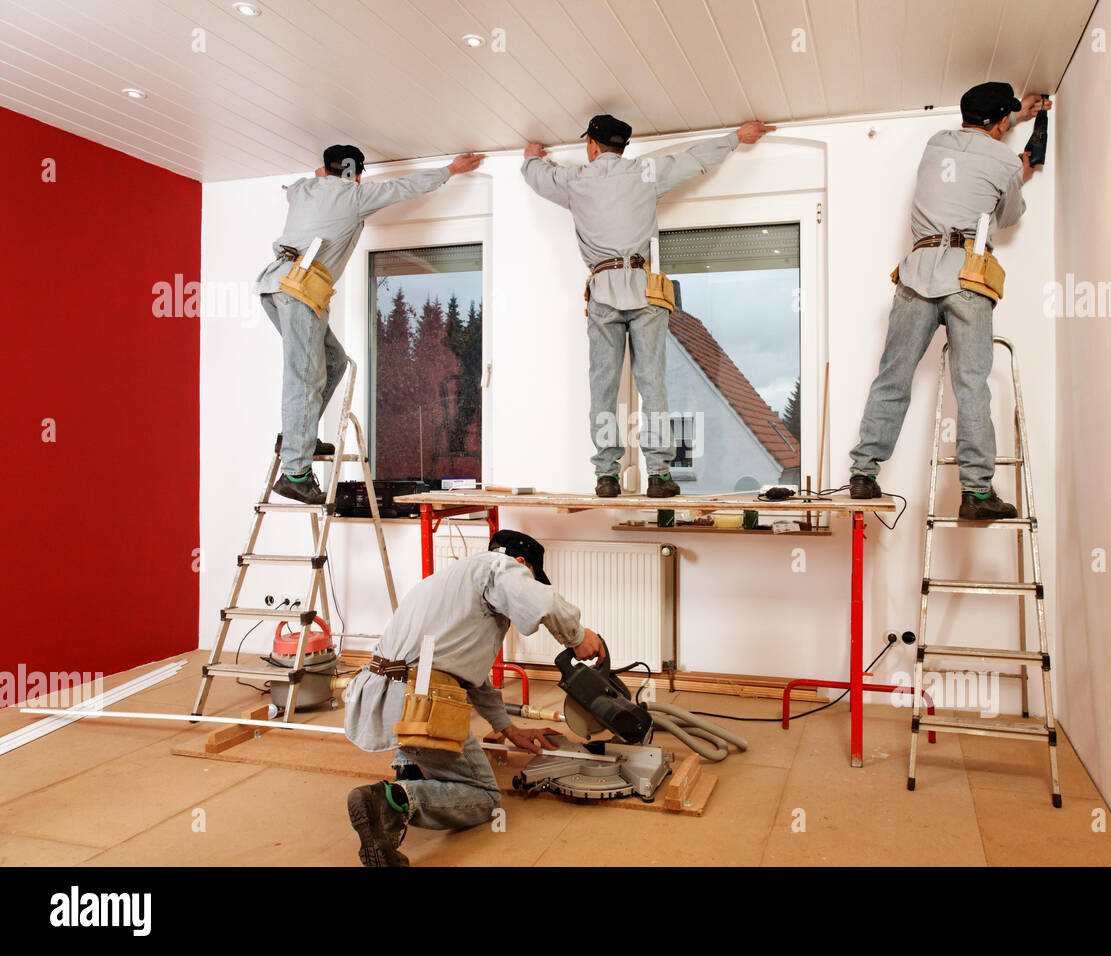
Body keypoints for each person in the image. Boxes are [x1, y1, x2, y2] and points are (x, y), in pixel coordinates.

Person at [521, 116, 775, 498]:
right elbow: (694, 159)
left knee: (603, 387)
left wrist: (531, 158)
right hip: (646, 292)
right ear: (622, 147)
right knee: (652, 385)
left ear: (592, 145)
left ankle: (607, 475)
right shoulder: (646, 172)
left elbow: (538, 177)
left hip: (603, 294)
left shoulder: (575, 180)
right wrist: (736, 137)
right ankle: (658, 474)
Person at [847, 84, 1051, 520]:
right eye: (1004, 119)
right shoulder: (1002, 161)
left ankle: (863, 473)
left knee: (892, 376)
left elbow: (979, 137)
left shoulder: (935, 143)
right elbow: (1010, 215)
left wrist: (1014, 119)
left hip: (918, 270)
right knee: (971, 385)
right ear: (999, 122)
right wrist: (1020, 171)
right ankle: (976, 494)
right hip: (967, 274)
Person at [342, 529, 604, 867]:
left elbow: (471, 677)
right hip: (423, 700)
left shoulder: (448, 582)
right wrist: (577, 636)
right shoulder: (501, 567)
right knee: (485, 797)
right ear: (522, 564)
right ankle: (392, 802)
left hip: (386, 693)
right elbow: (543, 601)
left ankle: (413, 776)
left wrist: (508, 729)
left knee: (427, 699)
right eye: (531, 577)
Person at [254, 144, 485, 505]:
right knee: (304, 376)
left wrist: (323, 175)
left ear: (324, 169)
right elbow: (406, 186)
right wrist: (450, 170)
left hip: (276, 289)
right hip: (298, 292)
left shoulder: (302, 189)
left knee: (333, 363)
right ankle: (295, 473)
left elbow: (313, 178)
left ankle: (299, 436)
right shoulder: (354, 195)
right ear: (357, 174)